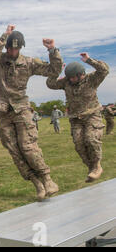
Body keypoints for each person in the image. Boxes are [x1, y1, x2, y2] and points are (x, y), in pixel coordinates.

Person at [0, 24, 63, 201]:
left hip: (21, 109)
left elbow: (53, 70)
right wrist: (4, 36)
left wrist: (52, 50)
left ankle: (47, 179)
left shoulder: (29, 63)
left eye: (16, 48)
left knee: (27, 146)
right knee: (14, 150)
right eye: (10, 48)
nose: (13, 51)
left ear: (21, 48)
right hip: (4, 112)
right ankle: (36, 183)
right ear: (6, 47)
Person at [46, 52, 110, 183]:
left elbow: (104, 69)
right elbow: (50, 83)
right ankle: (91, 168)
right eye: (69, 78)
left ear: (81, 74)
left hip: (91, 115)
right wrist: (57, 70)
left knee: (91, 139)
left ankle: (97, 166)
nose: (71, 80)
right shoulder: (66, 82)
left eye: (73, 78)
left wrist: (88, 60)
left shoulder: (92, 79)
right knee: (79, 144)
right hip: (76, 119)